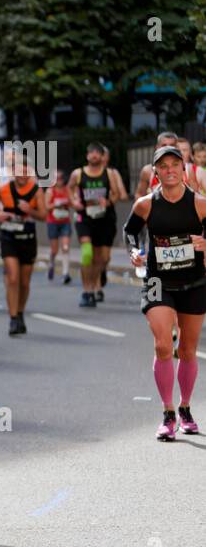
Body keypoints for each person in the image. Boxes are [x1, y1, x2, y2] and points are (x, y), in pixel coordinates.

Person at [125, 145, 206, 441]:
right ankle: (168, 412)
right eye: (164, 166)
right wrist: (134, 250)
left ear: (183, 169)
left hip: (195, 281)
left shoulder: (199, 204)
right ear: (155, 172)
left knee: (186, 349)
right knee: (162, 344)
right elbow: (130, 231)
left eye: (175, 164)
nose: (169, 170)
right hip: (159, 280)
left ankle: (185, 408)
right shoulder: (146, 204)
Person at [0, 153, 46, 335]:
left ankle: (21, 312)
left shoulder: (36, 191)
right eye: (19, 171)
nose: (22, 174)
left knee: (24, 282)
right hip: (8, 237)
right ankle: (13, 319)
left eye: (26, 171)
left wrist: (30, 210)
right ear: (13, 171)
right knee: (13, 278)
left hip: (28, 238)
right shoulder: (3, 188)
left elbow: (44, 216)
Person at [69, 142, 126, 307]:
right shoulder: (78, 174)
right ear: (87, 156)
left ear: (102, 157)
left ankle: (94, 285)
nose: (94, 155)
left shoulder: (108, 174)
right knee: (87, 254)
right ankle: (87, 291)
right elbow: (69, 189)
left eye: (97, 153)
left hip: (104, 219)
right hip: (85, 219)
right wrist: (75, 202)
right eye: (91, 153)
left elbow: (116, 194)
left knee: (102, 259)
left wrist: (107, 201)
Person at [45, 169, 74, 285]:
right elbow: (46, 207)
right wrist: (55, 205)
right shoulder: (50, 191)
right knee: (54, 250)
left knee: (65, 247)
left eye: (61, 178)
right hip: (52, 222)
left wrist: (67, 203)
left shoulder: (67, 190)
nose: (59, 181)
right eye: (56, 178)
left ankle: (65, 273)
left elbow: (73, 202)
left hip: (65, 222)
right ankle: (51, 263)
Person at [137, 132, 179, 197]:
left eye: (171, 145)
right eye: (164, 145)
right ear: (157, 147)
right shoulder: (148, 171)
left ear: (177, 147)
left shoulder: (186, 170)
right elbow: (139, 194)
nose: (168, 148)